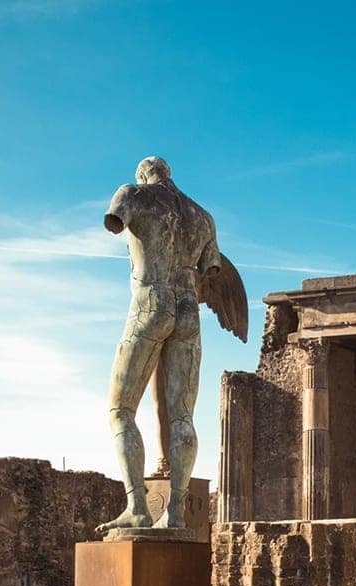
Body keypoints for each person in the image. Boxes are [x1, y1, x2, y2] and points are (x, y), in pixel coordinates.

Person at [97, 157, 246, 535]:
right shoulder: (202, 217)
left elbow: (114, 221)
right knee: (182, 418)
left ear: (144, 174)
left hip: (150, 303)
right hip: (187, 312)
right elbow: (210, 272)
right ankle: (175, 511)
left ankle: (137, 507)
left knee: (120, 409)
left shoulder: (132, 194)